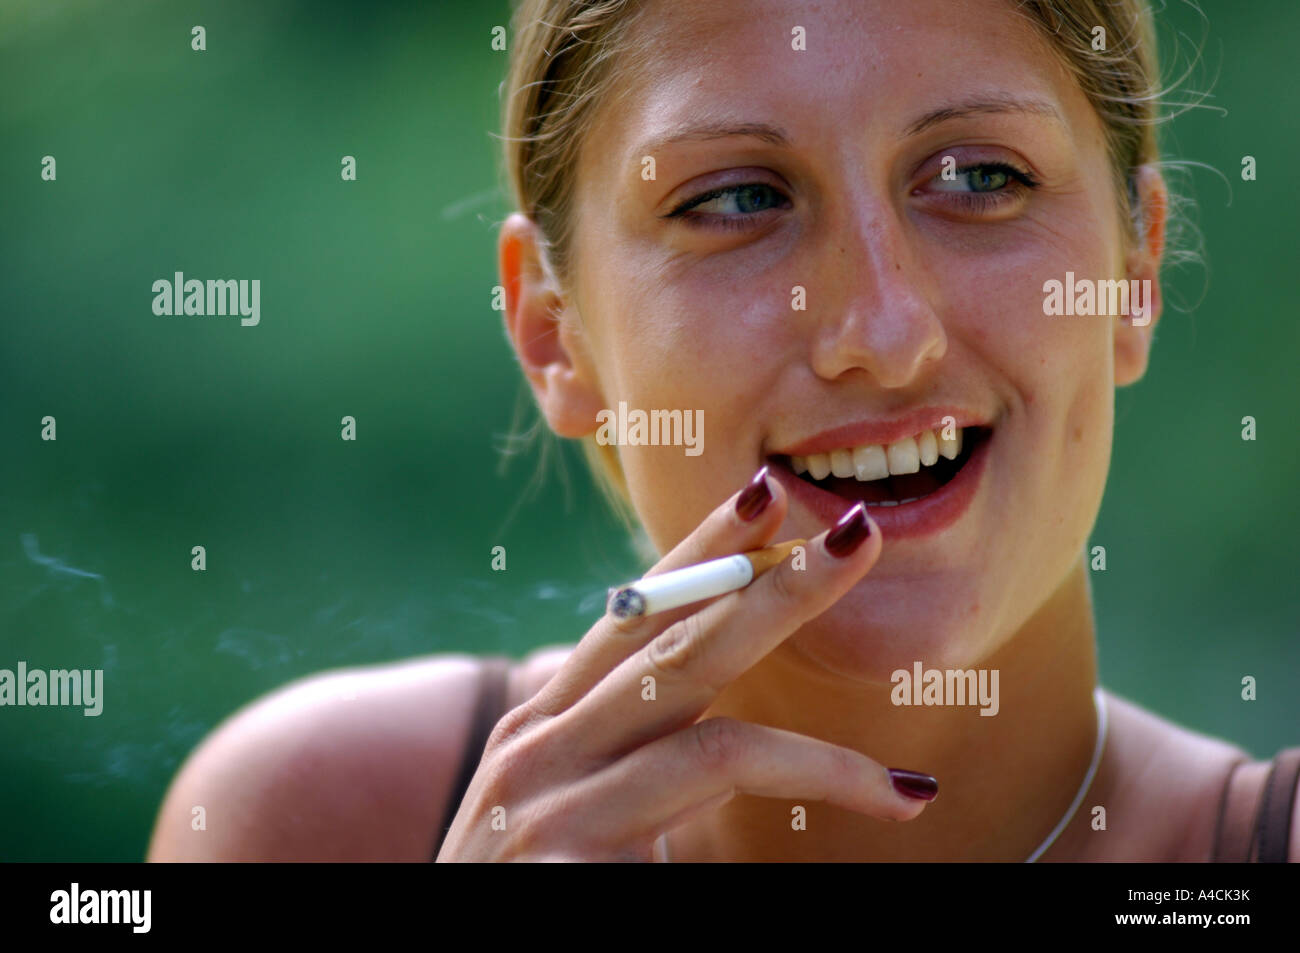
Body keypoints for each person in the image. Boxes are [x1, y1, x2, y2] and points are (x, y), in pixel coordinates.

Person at [146, 0, 1299, 862]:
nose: (882, 333)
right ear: (556, 336)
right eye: (738, 199)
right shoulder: (314, 819)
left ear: (1133, 270)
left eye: (979, 176)